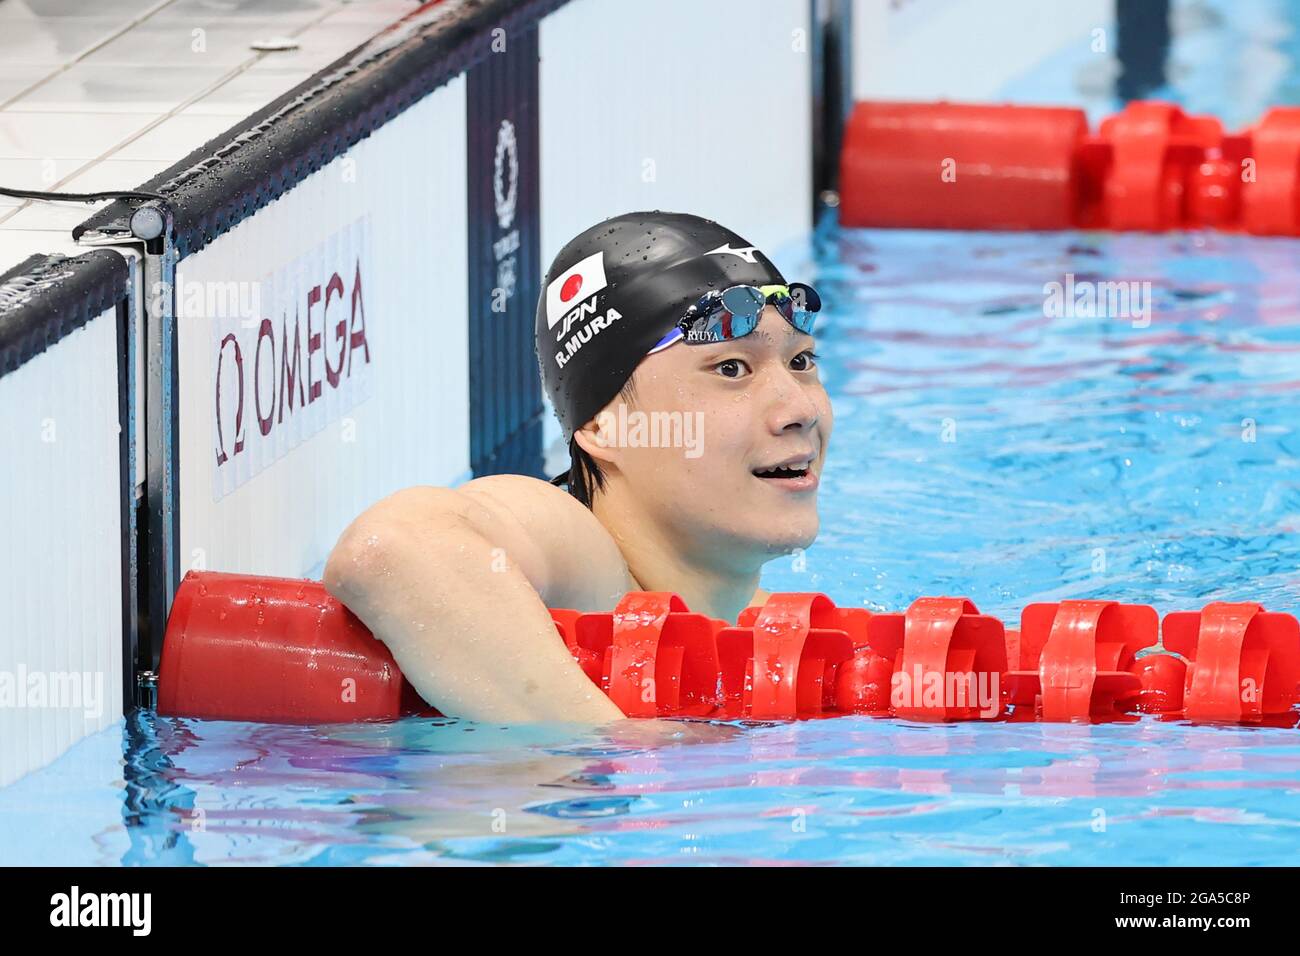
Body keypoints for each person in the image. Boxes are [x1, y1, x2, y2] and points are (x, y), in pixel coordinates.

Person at [323, 211, 832, 723]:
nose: (801, 410)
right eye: (730, 368)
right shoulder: (584, 566)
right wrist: (611, 748)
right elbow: (392, 547)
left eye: (801, 362)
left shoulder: (774, 623)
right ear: (604, 426)